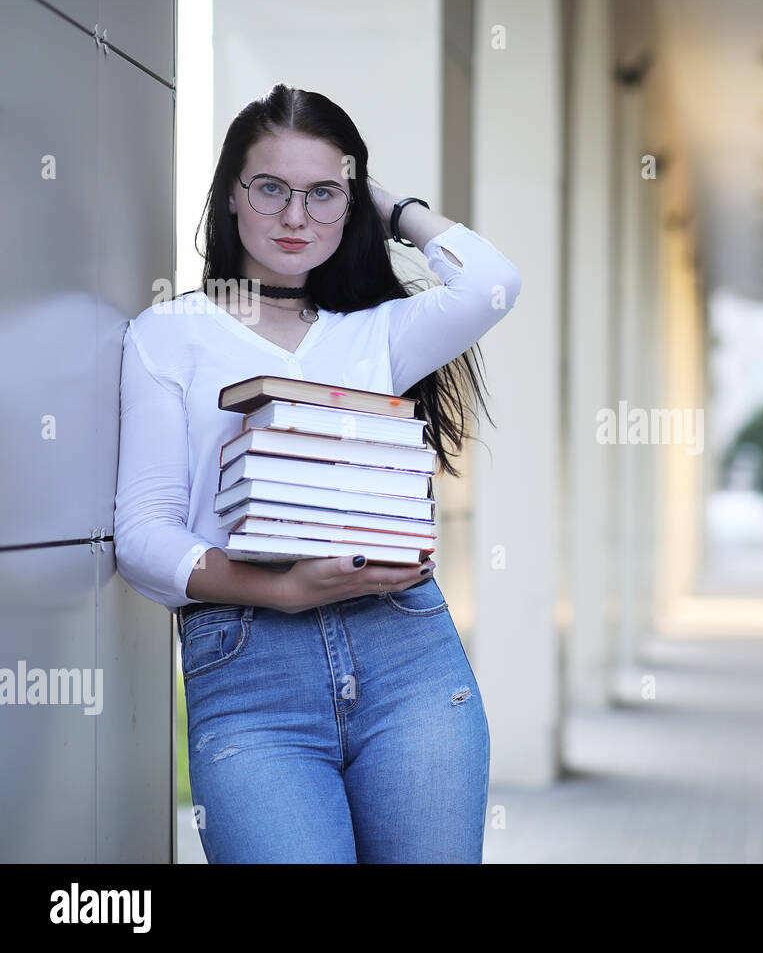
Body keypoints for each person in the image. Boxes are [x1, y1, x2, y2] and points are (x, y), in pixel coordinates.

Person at [113, 83, 522, 863]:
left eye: (322, 193)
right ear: (231, 194)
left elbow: (493, 282)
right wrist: (281, 589)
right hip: (250, 670)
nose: (295, 217)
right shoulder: (168, 336)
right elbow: (142, 534)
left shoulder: (378, 335)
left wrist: (387, 203)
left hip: (410, 662)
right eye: (270, 188)